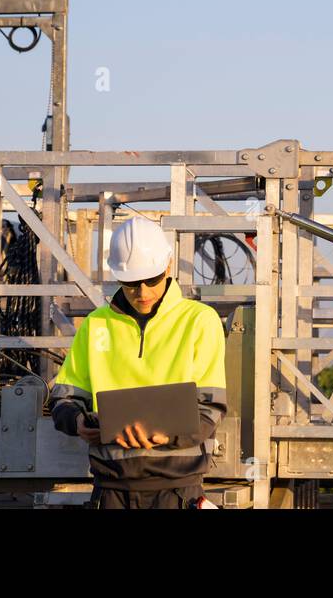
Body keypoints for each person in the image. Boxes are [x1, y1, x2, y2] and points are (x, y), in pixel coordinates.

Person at [49, 215, 227, 508]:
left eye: (152, 280)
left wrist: (165, 434)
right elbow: (65, 399)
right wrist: (78, 421)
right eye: (131, 283)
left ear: (168, 266)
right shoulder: (96, 325)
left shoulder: (199, 321)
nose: (142, 292)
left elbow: (210, 409)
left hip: (177, 492)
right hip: (110, 489)